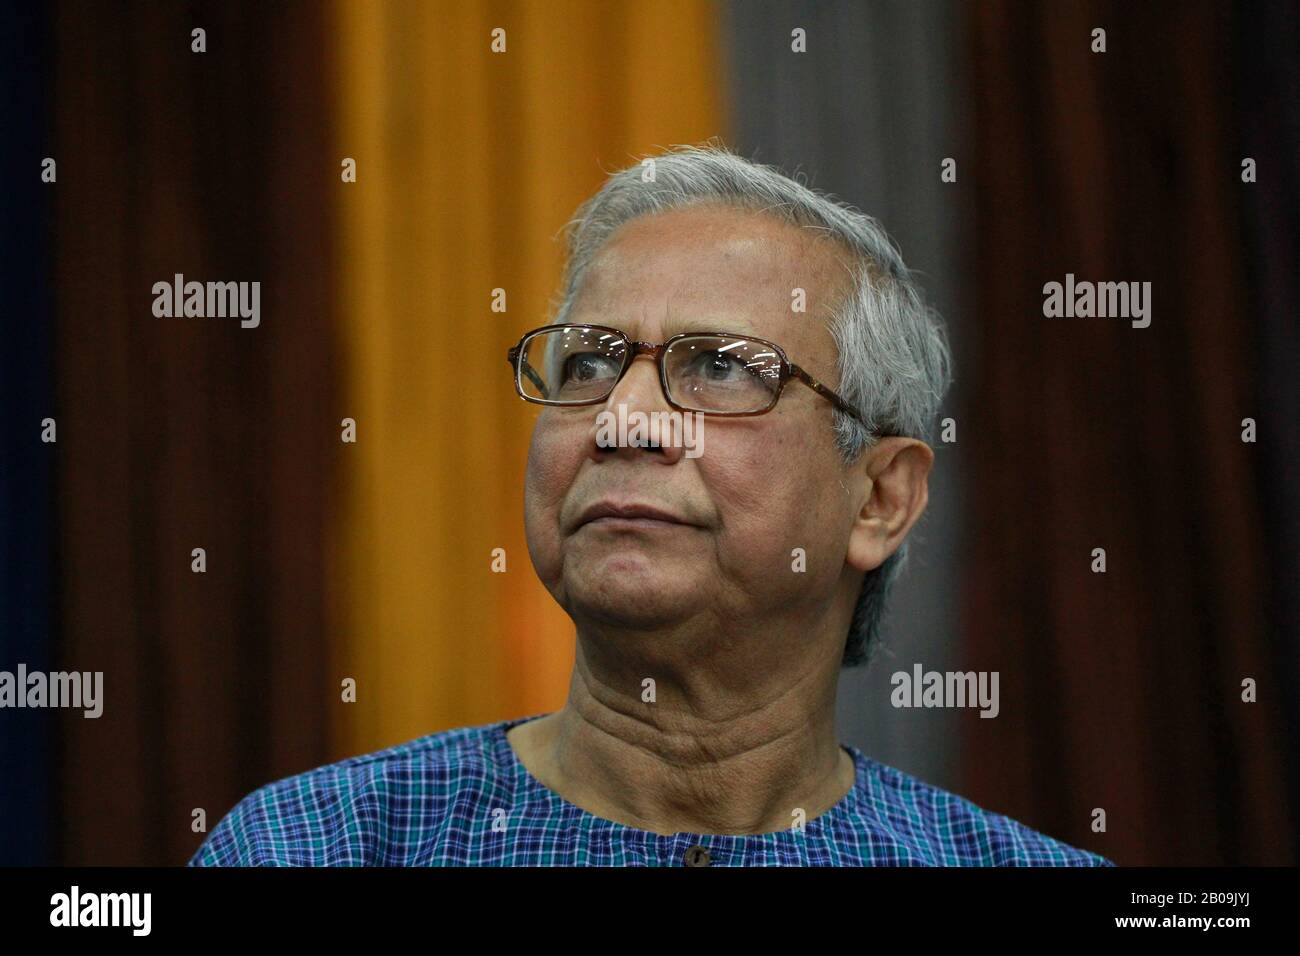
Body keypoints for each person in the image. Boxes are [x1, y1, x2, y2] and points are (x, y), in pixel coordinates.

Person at [190, 145, 1113, 866]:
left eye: (718, 367)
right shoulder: (315, 847)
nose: (623, 420)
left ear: (880, 498)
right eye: (587, 364)